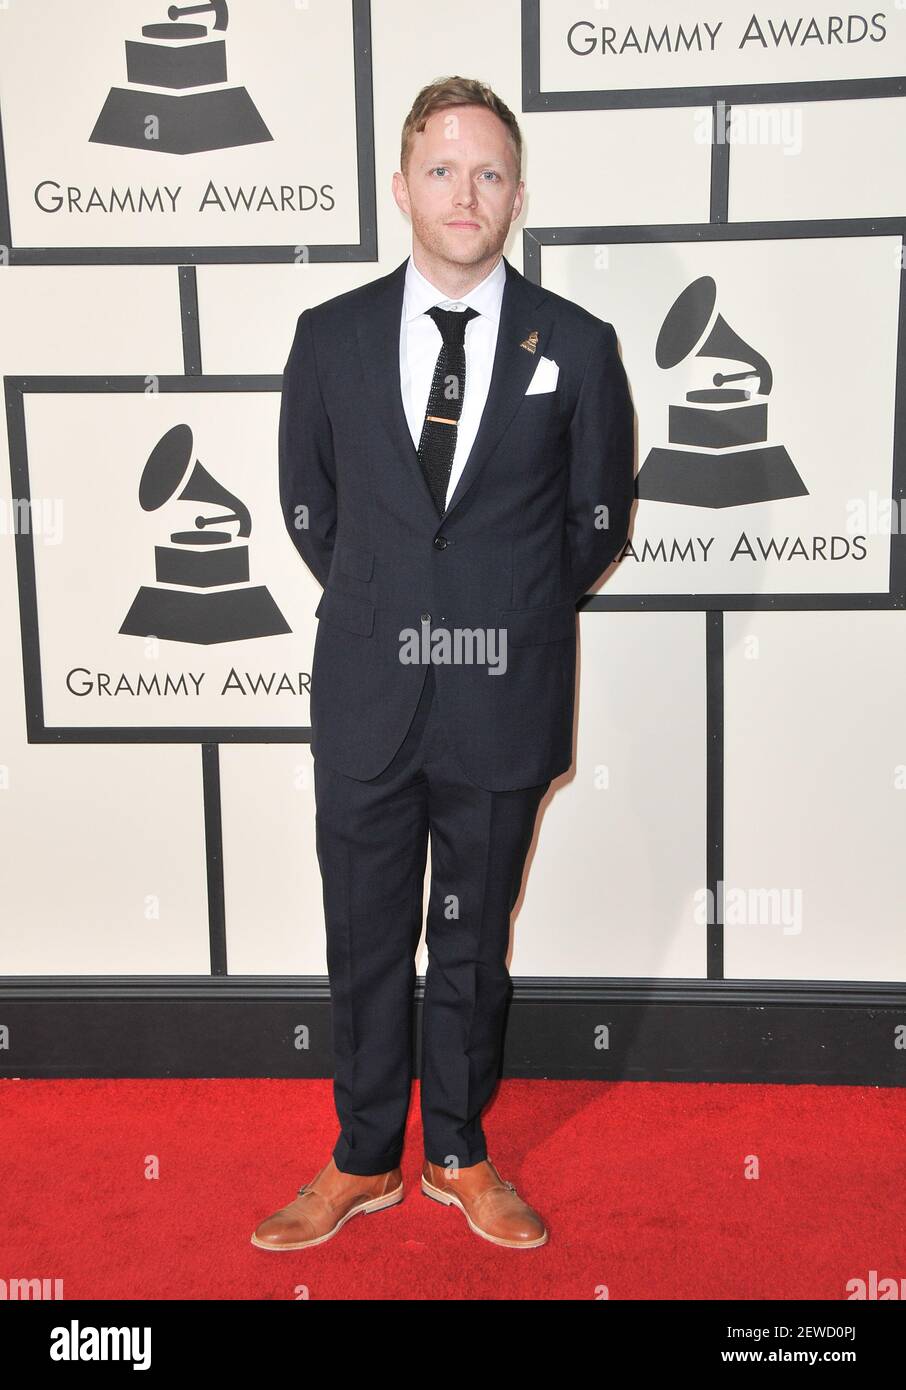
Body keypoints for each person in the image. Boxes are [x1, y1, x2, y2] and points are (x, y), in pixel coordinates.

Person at [253, 75, 634, 1253]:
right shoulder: (331, 336)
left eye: (488, 172)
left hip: (500, 698)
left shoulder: (576, 343)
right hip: (369, 692)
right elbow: (309, 509)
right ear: (401, 183)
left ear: (516, 193)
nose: (464, 192)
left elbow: (598, 522)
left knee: (471, 939)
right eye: (440, 168)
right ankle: (364, 1154)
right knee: (364, 934)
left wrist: (500, 615)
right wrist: (393, 610)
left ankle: (459, 1150)